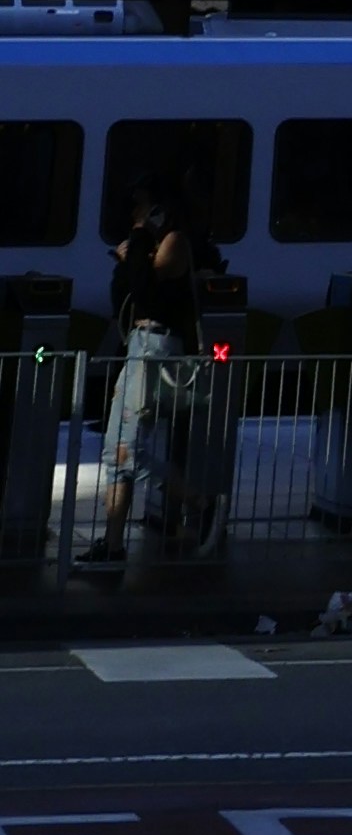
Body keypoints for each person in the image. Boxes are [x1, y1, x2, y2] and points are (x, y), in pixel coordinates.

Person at [83, 194, 205, 569]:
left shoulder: (175, 243)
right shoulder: (144, 250)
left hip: (158, 346)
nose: (139, 220)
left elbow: (149, 294)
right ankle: (114, 542)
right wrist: (127, 262)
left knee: (131, 449)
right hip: (137, 345)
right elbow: (125, 296)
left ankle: (201, 502)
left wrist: (136, 246)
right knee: (115, 450)